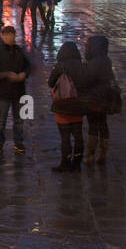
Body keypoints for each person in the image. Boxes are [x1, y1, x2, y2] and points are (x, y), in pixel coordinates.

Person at [0, 25, 29, 155]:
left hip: (19, 91)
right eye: (7, 35)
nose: (10, 37)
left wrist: (23, 74)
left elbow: (28, 66)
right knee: (1, 119)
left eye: (12, 34)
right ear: (3, 36)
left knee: (19, 119)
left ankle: (19, 142)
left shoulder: (19, 51)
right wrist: (2, 74)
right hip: (3, 91)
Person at [48, 41, 87, 172]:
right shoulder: (82, 66)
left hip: (62, 106)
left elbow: (50, 82)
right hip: (78, 106)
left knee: (65, 136)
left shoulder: (60, 66)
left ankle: (65, 162)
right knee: (78, 135)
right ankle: (77, 162)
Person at [79, 34, 117, 166]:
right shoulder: (106, 60)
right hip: (106, 98)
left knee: (93, 126)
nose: (85, 47)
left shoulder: (94, 63)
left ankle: (90, 155)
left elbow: (86, 80)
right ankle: (103, 154)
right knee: (103, 125)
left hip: (94, 99)